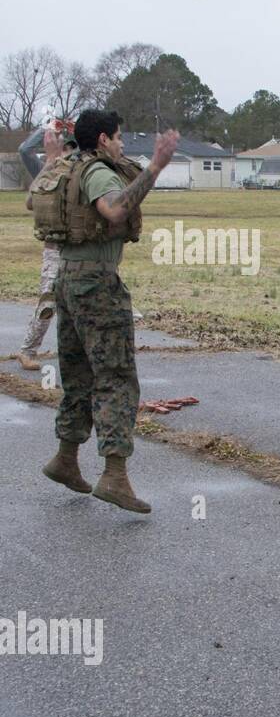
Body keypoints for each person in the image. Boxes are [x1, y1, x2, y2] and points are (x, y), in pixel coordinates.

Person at [38, 109, 179, 513]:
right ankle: (115, 476)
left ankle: (66, 458)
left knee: (78, 372)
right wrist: (155, 166)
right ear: (102, 139)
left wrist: (49, 159)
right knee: (116, 377)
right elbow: (115, 210)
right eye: (117, 137)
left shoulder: (65, 167)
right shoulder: (98, 172)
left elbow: (34, 202)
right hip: (96, 284)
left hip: (67, 278)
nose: (120, 144)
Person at [17, 121, 78, 370]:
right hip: (54, 246)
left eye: (71, 149)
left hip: (76, 245)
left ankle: (77, 352)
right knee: (48, 300)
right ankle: (27, 350)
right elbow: (24, 150)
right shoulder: (46, 169)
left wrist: (76, 129)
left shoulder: (77, 169)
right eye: (65, 149)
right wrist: (47, 129)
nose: (68, 154)